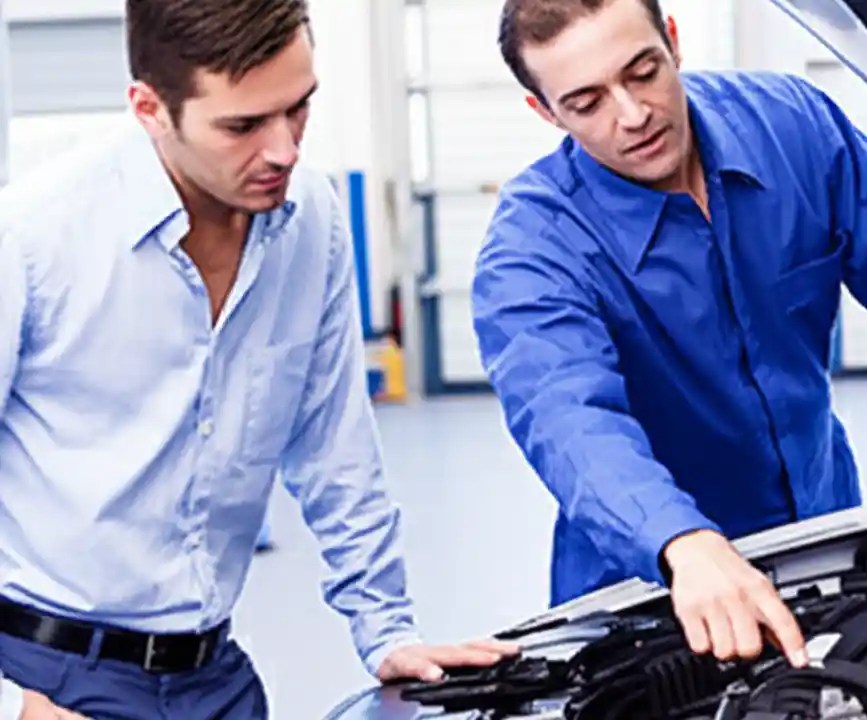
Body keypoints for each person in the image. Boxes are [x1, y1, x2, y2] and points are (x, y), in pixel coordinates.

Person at [472, 0, 867, 671]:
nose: (632, 114)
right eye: (587, 103)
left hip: (825, 543)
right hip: (653, 588)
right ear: (545, 113)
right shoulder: (533, 248)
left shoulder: (796, 131)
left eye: (642, 72)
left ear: (672, 41)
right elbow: (569, 422)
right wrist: (683, 542)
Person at [0, 1, 518, 718]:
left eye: (298, 108)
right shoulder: (30, 241)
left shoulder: (313, 219)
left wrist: (387, 631)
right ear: (149, 108)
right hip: (50, 680)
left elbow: (336, 444)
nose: (284, 150)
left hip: (217, 681)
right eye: (243, 126)